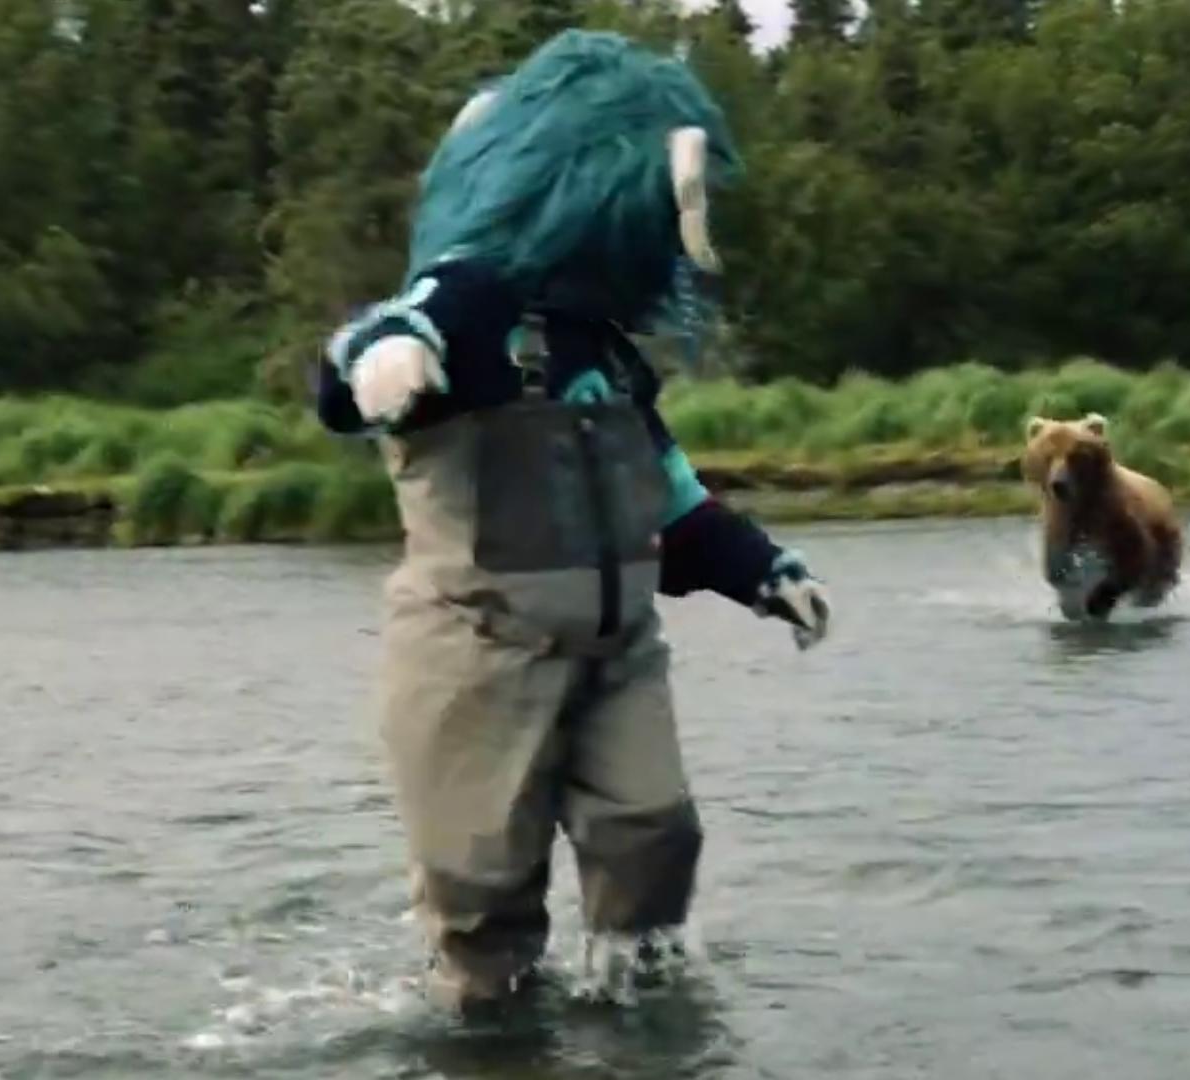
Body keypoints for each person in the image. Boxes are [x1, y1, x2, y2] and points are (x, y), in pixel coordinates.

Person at [310, 29, 833, 1012]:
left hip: (617, 653)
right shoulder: (462, 304)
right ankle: (487, 1025)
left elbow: (667, 494)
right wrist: (383, 364)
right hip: (477, 651)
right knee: (480, 880)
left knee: (655, 831)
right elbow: (364, 355)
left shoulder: (609, 352)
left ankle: (640, 1004)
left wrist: (763, 570)